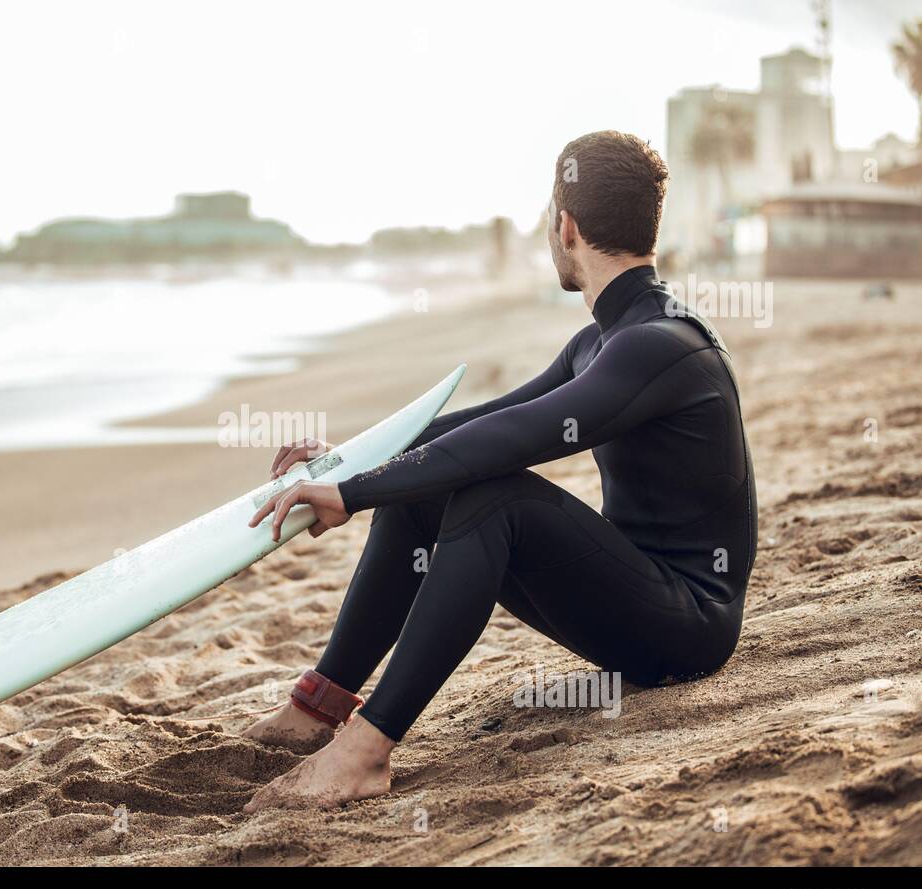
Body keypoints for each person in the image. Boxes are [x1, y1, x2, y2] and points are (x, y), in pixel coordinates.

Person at [241, 131, 757, 811]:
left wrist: (351, 493)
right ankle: (319, 706)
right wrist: (350, 461)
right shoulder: (608, 340)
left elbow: (511, 440)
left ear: (564, 226)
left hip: (688, 627)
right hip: (638, 599)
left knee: (495, 498)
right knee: (428, 484)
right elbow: (480, 425)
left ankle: (366, 754)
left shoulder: (655, 347)